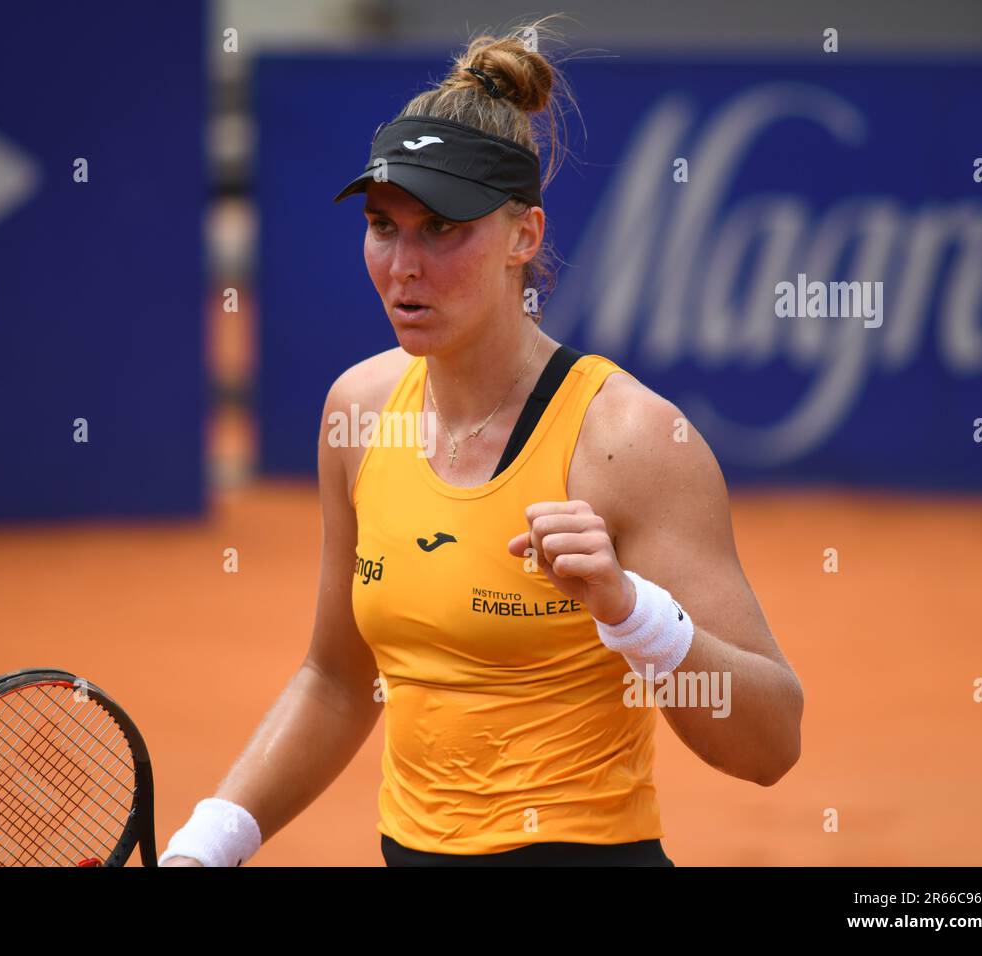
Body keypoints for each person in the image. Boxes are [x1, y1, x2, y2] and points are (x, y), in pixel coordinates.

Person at [161, 16, 803, 868]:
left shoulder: (631, 441)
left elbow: (771, 743)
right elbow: (337, 680)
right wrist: (206, 845)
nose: (404, 265)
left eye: (443, 228)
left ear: (524, 237)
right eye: (384, 225)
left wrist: (632, 612)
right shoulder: (357, 412)